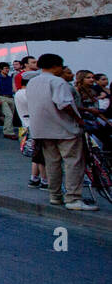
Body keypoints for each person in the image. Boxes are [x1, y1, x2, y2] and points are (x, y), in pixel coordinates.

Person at [28, 53, 97, 211]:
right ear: (55, 66)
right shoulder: (57, 82)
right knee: (73, 162)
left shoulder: (33, 82)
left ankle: (55, 196)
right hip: (63, 128)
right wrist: (78, 119)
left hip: (41, 129)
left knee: (52, 163)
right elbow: (63, 104)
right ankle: (73, 198)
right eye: (61, 66)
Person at [12, 72, 47, 191]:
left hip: (26, 126)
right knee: (41, 155)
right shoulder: (27, 94)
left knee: (36, 156)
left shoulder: (18, 93)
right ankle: (44, 180)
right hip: (33, 127)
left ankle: (34, 178)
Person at [0, 62, 17, 139]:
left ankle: (7, 130)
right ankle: (8, 132)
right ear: (0, 69)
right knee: (8, 115)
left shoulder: (10, 78)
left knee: (11, 115)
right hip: (2, 98)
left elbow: (14, 88)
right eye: (5, 68)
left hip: (10, 98)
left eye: (8, 68)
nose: (7, 70)